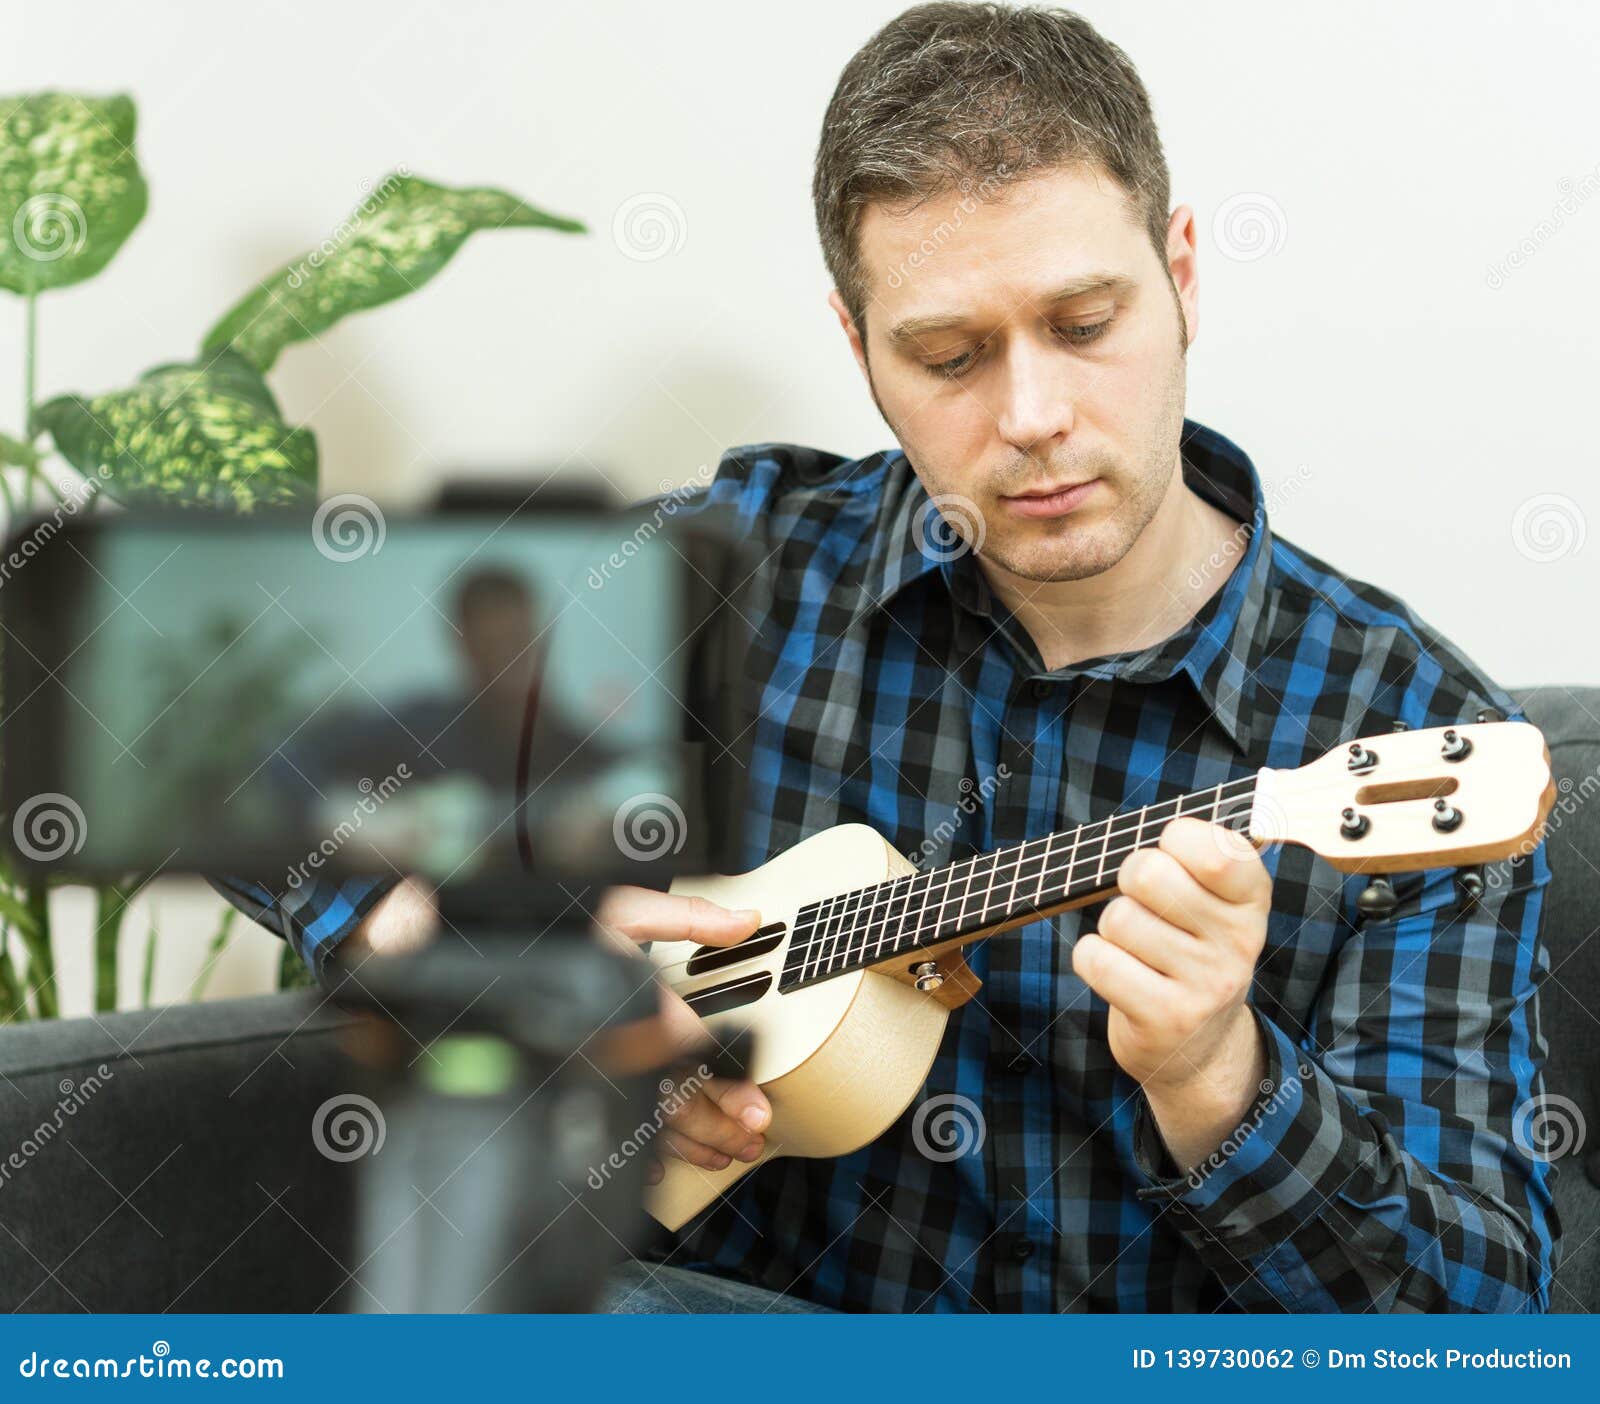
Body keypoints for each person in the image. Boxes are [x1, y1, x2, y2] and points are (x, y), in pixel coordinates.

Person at [218, 2, 1558, 1313]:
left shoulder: (1401, 725)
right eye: (948, 356)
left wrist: (1222, 1081)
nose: (1031, 416)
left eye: (1085, 324)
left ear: (1184, 271)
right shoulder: (744, 568)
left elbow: (1484, 1327)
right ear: (857, 346)